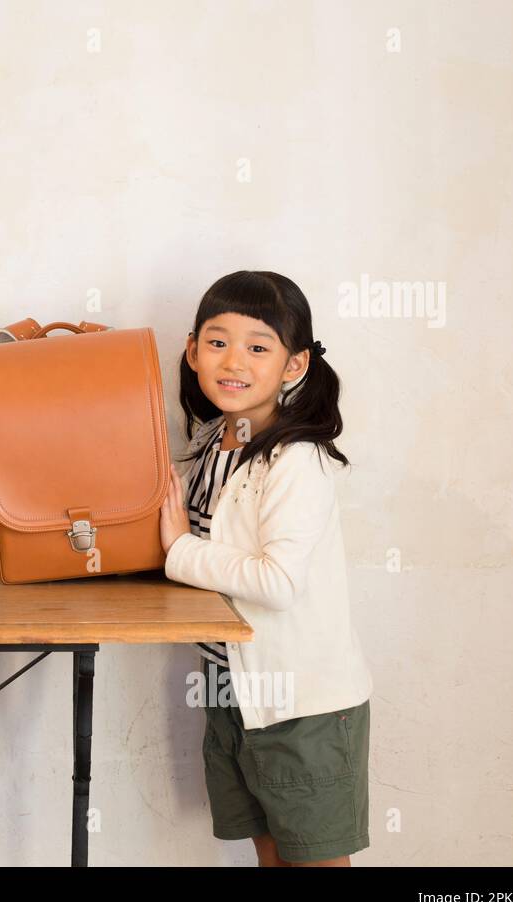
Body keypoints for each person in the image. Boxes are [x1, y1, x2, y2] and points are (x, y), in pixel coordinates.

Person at [159, 270, 373, 867]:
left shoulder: (295, 459)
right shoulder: (206, 443)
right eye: (217, 340)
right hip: (231, 692)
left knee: (317, 859)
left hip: (300, 704)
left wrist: (177, 550)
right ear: (193, 349)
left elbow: (277, 581)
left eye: (258, 347)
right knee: (271, 852)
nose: (234, 360)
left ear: (294, 366)